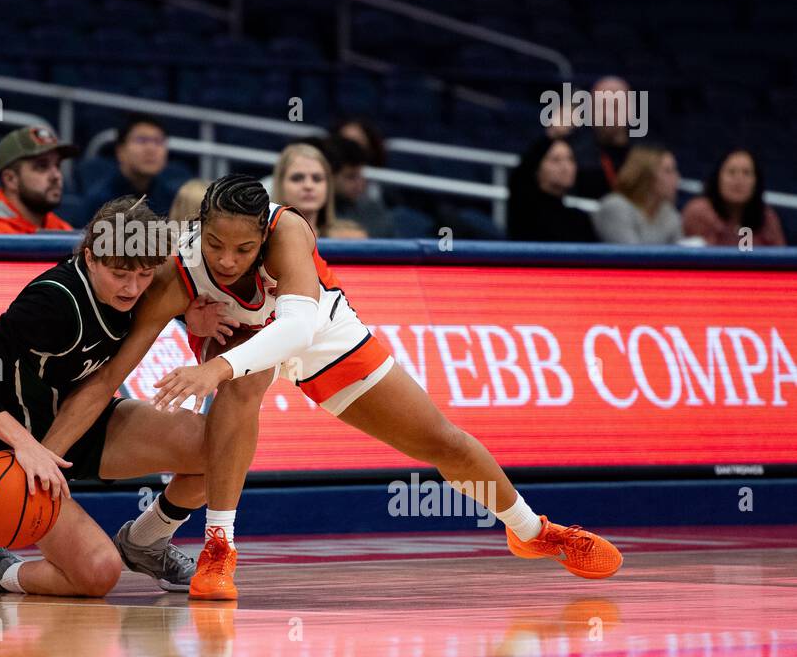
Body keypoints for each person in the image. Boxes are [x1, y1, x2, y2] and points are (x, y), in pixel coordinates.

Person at [40, 176, 624, 599]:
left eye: (243, 250)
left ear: (262, 236)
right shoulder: (181, 264)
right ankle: (219, 548)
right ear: (199, 231)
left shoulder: (288, 227)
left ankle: (534, 531)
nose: (227, 259)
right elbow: (111, 373)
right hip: (239, 336)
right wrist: (46, 454)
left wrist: (214, 366)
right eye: (215, 245)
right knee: (241, 390)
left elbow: (297, 326)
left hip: (322, 336)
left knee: (440, 441)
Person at [0, 197, 214, 596]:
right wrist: (25, 445)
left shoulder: (142, 281)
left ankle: (146, 543)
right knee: (99, 574)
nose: (132, 287)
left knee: (219, 445)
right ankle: (1, 570)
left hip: (90, 425)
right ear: (90, 257)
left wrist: (187, 313)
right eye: (120, 274)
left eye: (143, 274)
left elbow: (159, 293)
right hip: (23, 447)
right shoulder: (51, 303)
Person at [0, 125, 77, 234]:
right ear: (10, 179)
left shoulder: (62, 229)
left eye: (57, 165)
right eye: (42, 166)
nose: (56, 175)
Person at [681, 148, 787, 247]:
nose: (738, 180)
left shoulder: (767, 219)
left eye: (746, 173)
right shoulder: (699, 213)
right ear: (718, 178)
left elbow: (781, 261)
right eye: (731, 172)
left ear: (756, 181)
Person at [81, 116, 180, 217]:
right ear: (120, 151)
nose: (151, 149)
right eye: (141, 140)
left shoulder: (171, 200)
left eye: (158, 141)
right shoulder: (100, 201)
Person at [507, 135, 596, 242]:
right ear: (537, 168)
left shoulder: (579, 219)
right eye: (555, 160)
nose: (565, 167)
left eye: (570, 159)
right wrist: (551, 135)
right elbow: (520, 176)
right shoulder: (526, 210)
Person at [592, 145, 683, 245]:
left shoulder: (668, 212)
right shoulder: (615, 208)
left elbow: (680, 255)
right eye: (668, 171)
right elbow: (631, 257)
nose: (677, 177)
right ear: (646, 175)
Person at [271, 142, 358, 238]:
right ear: (280, 185)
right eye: (297, 178)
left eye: (317, 179)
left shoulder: (350, 237)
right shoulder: (263, 239)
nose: (308, 186)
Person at [316, 136, 395, 238]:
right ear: (328, 176)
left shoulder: (373, 209)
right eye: (351, 177)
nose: (360, 183)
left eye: (361, 175)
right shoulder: (311, 211)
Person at [570, 76, 635, 200]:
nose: (607, 114)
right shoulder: (574, 158)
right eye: (601, 106)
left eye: (615, 106)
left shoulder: (646, 157)